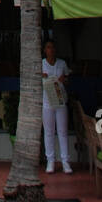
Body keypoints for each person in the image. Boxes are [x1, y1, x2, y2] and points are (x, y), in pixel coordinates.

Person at [42, 39, 72, 174]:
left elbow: (68, 79)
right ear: (45, 50)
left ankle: (65, 161)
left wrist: (63, 80)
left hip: (60, 101)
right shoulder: (41, 64)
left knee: (62, 132)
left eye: (53, 47)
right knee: (49, 132)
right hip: (47, 101)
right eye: (48, 47)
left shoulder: (61, 64)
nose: (51, 50)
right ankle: (51, 160)